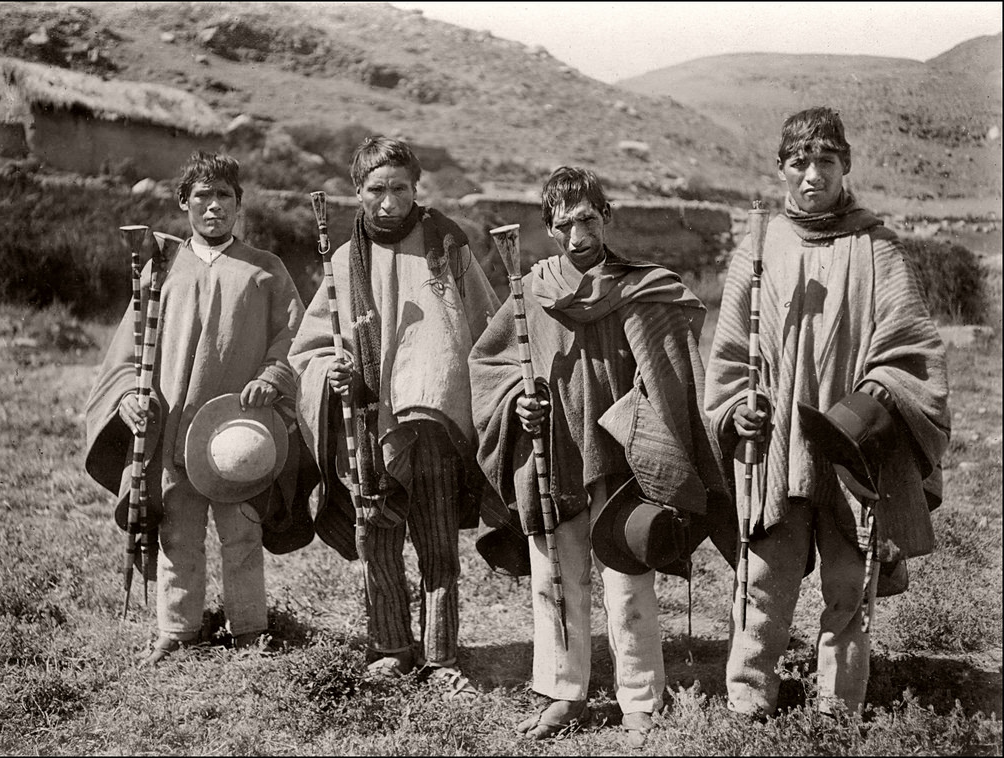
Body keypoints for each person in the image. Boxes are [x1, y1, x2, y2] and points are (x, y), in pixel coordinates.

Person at [469, 166, 729, 746]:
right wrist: (521, 405)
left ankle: (640, 698)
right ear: (549, 229)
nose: (578, 234)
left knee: (627, 577)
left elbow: (669, 373)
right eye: (564, 225)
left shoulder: (641, 286)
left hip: (622, 458)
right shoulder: (529, 292)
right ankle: (564, 692)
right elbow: (492, 369)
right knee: (555, 578)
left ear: (606, 217)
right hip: (552, 454)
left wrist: (641, 419)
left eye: (588, 219)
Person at [705, 106, 951, 718]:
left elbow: (912, 348)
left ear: (846, 166)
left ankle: (837, 703)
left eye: (825, 161)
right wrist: (739, 409)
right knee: (766, 574)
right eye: (799, 163)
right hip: (778, 445)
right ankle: (749, 695)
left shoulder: (878, 248)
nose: (812, 175)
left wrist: (871, 403)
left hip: (853, 448)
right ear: (780, 169)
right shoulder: (757, 248)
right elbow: (731, 350)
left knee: (850, 578)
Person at [289, 136, 500, 699]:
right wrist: (329, 373)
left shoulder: (448, 247)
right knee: (376, 540)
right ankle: (390, 649)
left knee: (435, 541)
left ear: (416, 188)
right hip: (365, 425)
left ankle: (442, 655)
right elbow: (307, 350)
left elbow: (485, 328)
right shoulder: (342, 261)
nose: (388, 202)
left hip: (434, 424)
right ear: (357, 192)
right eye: (376, 190)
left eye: (399, 189)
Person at [84, 151, 305, 666]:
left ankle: (250, 629)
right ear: (184, 202)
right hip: (173, 432)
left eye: (223, 196)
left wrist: (273, 378)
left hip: (238, 434)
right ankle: (178, 630)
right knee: (177, 533)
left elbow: (292, 337)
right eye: (202, 196)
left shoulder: (265, 270)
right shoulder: (161, 271)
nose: (213, 207)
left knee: (241, 533)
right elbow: (128, 353)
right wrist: (128, 399)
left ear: (238, 205)